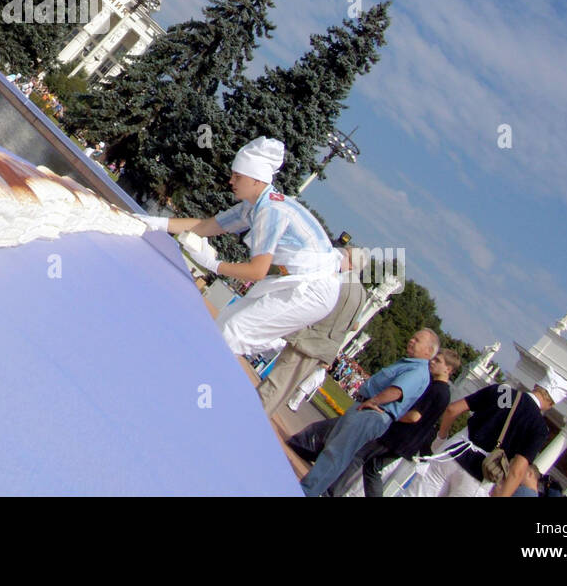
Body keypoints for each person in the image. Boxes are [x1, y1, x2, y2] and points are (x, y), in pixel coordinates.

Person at [141, 137, 342, 357]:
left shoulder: (270, 211)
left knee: (233, 333)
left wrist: (214, 264)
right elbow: (205, 226)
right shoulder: (252, 207)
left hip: (313, 291)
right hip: (299, 282)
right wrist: (154, 223)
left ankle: (206, 372)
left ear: (256, 180)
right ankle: (261, 341)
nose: (230, 181)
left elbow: (257, 271)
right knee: (225, 320)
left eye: (238, 176)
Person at [288, 330, 440, 496]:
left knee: (336, 454)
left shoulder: (418, 371)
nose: (411, 340)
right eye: (413, 337)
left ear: (428, 351)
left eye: (417, 340)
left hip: (373, 413)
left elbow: (397, 391)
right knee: (333, 451)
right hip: (369, 410)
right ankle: (307, 489)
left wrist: (373, 401)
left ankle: (305, 491)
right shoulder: (411, 365)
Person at [412, 367, 567, 497]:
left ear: (536, 386)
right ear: (551, 403)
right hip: (479, 476)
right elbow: (517, 471)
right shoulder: (539, 428)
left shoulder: (502, 391)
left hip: (451, 453)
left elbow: (452, 410)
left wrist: (441, 438)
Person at [257, 247, 370, 420]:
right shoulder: (362, 294)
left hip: (306, 337)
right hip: (324, 347)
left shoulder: (336, 280)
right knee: (288, 387)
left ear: (349, 261)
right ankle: (262, 416)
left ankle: (253, 411)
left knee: (276, 380)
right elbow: (354, 325)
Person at [352, 348, 461, 497]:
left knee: (360, 457)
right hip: (409, 442)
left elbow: (415, 416)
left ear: (448, 369)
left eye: (438, 361)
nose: (432, 362)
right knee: (372, 467)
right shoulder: (445, 393)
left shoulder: (436, 389)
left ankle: (331, 490)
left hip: (399, 436)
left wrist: (391, 415)